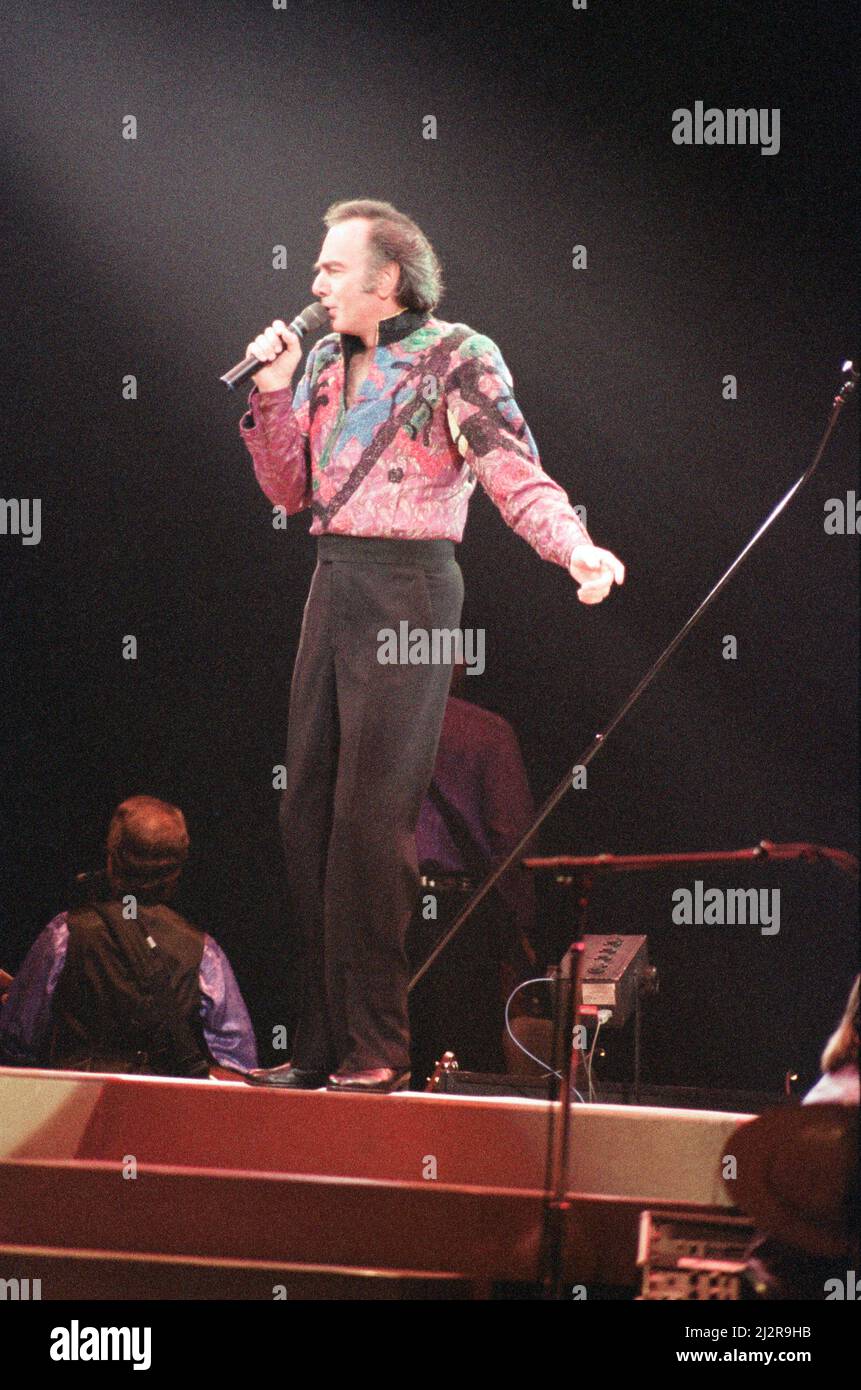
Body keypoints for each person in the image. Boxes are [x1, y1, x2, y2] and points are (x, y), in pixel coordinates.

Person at [239, 198, 624, 1094]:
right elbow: (290, 489)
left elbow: (509, 468)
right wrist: (269, 391)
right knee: (309, 820)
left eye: (333, 268)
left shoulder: (459, 355)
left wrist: (574, 546)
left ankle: (375, 1048)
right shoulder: (327, 360)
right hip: (332, 577)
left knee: (372, 827)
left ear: (387, 278)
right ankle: (322, 1048)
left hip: (410, 585)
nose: (315, 282)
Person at [0, 796, 258, 1077]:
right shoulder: (204, 953)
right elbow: (238, 1063)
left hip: (78, 1112)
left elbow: (16, 1043)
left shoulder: (64, 934)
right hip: (165, 1113)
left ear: (111, 858)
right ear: (177, 870)